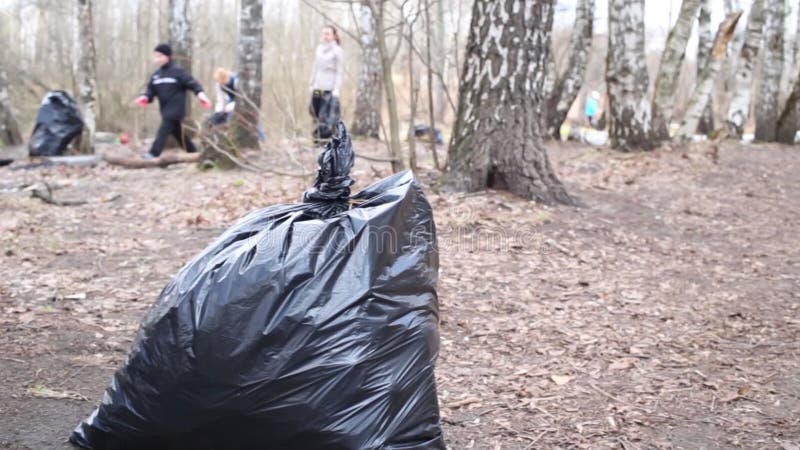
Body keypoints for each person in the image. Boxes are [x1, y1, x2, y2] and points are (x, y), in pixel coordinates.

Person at [135, 43, 211, 159]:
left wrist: (200, 94)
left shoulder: (178, 72)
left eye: (160, 56)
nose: (157, 59)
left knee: (164, 129)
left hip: (176, 109)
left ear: (167, 56)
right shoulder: (156, 75)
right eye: (155, 56)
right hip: (165, 109)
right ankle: (194, 152)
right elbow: (151, 90)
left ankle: (153, 153)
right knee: (177, 133)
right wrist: (145, 97)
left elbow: (192, 83)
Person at [308, 25, 344, 140]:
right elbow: (315, 67)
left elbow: (339, 71)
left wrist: (337, 88)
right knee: (315, 111)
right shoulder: (319, 49)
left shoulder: (337, 51)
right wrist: (311, 83)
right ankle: (316, 134)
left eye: (328, 34)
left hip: (329, 88)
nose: (325, 36)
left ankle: (324, 138)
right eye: (323, 33)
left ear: (333, 36)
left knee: (325, 114)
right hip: (318, 88)